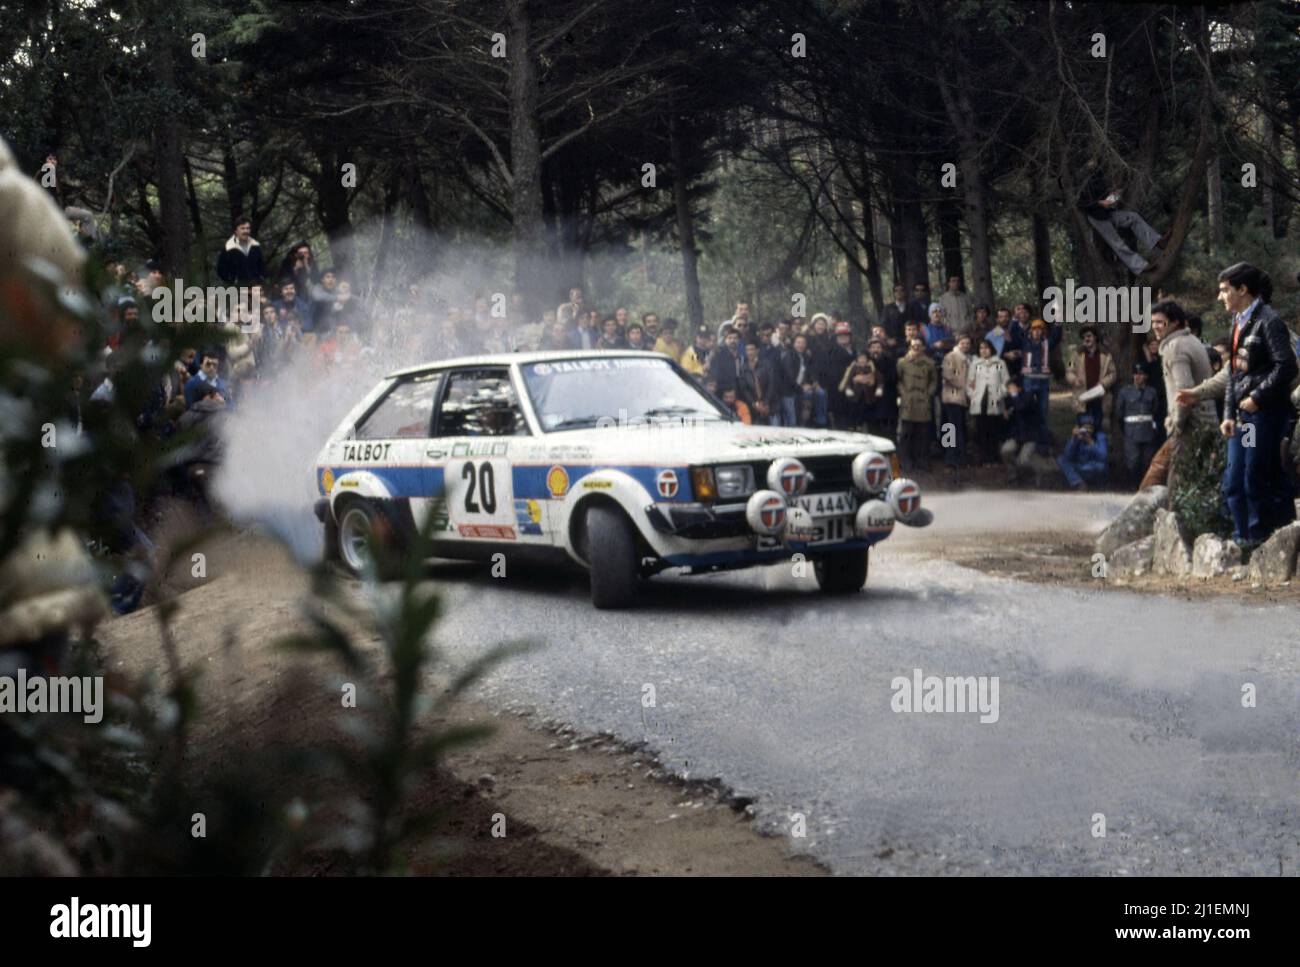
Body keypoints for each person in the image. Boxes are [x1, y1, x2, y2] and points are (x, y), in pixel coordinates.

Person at [1176, 263, 1298, 545]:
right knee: (1233, 479)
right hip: (1241, 417)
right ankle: (1241, 537)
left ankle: (1261, 538)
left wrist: (1258, 397)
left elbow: (1286, 367)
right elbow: (1234, 373)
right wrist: (1229, 413)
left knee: (1254, 474)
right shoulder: (1238, 322)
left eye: (1224, 290)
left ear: (1242, 290)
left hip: (1262, 416)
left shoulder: (1269, 321)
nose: (1220, 297)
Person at [1138, 300, 1218, 491]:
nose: (1155, 326)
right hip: (1206, 421)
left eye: (1160, 322)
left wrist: (1176, 423)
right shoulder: (1191, 341)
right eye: (1153, 322)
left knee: (1178, 482)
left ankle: (1174, 520)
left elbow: (1185, 392)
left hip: (1190, 425)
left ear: (1174, 323)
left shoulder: (1175, 347)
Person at [1074, 160, 1168, 275]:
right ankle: (1140, 267)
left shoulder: (1102, 172)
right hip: (1096, 217)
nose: (1092, 163)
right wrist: (1099, 203)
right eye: (1089, 161)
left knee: (1133, 217)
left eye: (1093, 161)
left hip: (1107, 212)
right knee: (1117, 243)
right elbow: (1080, 204)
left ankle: (1158, 241)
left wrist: (1115, 195)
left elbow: (1108, 193)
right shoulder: (1083, 180)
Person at [1001, 377, 1052, 486]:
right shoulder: (1008, 399)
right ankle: (1013, 475)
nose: (1009, 390)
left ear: (1017, 387)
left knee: (1023, 461)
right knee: (1006, 450)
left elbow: (1022, 408)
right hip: (1016, 436)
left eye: (1010, 388)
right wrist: (1006, 415)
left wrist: (1013, 400)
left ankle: (1040, 470)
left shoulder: (1028, 398)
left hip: (1030, 436)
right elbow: (1007, 416)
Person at [897, 336, 937, 473]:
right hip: (908, 400)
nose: (916, 348)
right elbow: (898, 380)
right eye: (913, 346)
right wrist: (903, 394)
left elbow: (934, 381)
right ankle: (905, 461)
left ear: (923, 347)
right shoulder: (902, 362)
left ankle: (922, 462)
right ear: (910, 347)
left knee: (923, 434)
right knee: (906, 433)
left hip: (923, 400)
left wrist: (929, 393)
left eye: (919, 346)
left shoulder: (930, 363)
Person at [1114, 365, 1160, 486]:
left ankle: (1146, 485)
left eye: (1140, 374)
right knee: (1133, 461)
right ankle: (1133, 485)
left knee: (1147, 460)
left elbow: (1155, 410)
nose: (1137, 377)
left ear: (1146, 376)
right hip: (1131, 431)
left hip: (1147, 430)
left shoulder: (1152, 392)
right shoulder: (1125, 392)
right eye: (1135, 374)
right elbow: (1119, 413)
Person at [967, 337, 1009, 466]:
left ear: (991, 349)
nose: (983, 350)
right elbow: (970, 383)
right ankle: (982, 458)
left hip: (994, 401)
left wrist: (1000, 394)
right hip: (979, 401)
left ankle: (994, 457)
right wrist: (973, 395)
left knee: (994, 429)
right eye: (981, 348)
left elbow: (1005, 382)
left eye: (986, 348)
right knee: (980, 430)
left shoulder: (1000, 363)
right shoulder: (975, 364)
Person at [1066, 325, 1117, 427]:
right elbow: (1069, 371)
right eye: (1084, 337)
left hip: (1099, 397)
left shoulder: (1105, 355)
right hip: (1082, 396)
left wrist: (1103, 383)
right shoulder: (1076, 354)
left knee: (1097, 426)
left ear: (1095, 338)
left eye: (1089, 336)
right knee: (1083, 428)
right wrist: (1074, 379)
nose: (1086, 339)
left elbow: (1113, 374)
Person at [782, 332, 827, 427]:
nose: (800, 345)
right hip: (789, 391)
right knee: (792, 421)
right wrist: (802, 387)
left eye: (803, 343)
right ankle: (801, 422)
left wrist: (814, 383)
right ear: (794, 344)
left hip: (801, 389)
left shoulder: (805, 357)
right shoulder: (789, 356)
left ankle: (820, 421)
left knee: (821, 393)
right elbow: (789, 378)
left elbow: (811, 372)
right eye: (798, 342)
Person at [940, 333, 971, 471]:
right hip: (951, 396)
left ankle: (958, 456)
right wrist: (964, 385)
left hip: (962, 398)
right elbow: (947, 375)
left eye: (967, 344)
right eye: (962, 343)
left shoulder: (968, 359)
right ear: (958, 344)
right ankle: (950, 457)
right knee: (951, 428)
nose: (965, 346)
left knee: (959, 427)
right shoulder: (950, 356)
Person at [1057, 413, 1109, 491]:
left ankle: (1099, 486)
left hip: (1094, 467)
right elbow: (1068, 455)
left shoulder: (1100, 437)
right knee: (1061, 459)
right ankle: (1078, 483)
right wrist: (1074, 439)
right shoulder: (1077, 437)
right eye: (1085, 428)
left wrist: (1091, 442)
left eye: (1090, 428)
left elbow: (1103, 456)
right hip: (1080, 467)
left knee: (1102, 466)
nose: (1088, 431)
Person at [1021, 319, 1053, 426]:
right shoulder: (1025, 342)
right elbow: (1015, 331)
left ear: (1043, 331)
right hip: (1029, 380)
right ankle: (1028, 434)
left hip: (1043, 381)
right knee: (1027, 407)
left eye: (1040, 329)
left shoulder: (1047, 343)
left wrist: (1058, 321)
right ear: (1030, 331)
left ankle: (1042, 434)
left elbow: (1057, 335)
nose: (1037, 332)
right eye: (1034, 329)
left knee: (1043, 408)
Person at [864, 338, 898, 439]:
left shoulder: (890, 361)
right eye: (873, 347)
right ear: (869, 349)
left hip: (887, 399)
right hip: (870, 401)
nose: (876, 350)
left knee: (888, 431)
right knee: (873, 431)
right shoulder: (864, 362)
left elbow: (893, 377)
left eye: (878, 347)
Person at [215, 216, 264, 285]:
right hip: (237, 289)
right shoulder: (228, 248)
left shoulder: (255, 246)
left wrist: (260, 279)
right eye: (242, 228)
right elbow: (221, 271)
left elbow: (261, 266)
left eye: (248, 228)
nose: (246, 231)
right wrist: (232, 282)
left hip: (255, 287)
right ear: (236, 231)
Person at [837, 350, 876, 431]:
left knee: (862, 409)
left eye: (864, 358)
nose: (862, 360)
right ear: (857, 359)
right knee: (853, 408)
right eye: (860, 358)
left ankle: (860, 424)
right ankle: (851, 424)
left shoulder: (870, 368)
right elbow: (848, 378)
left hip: (866, 393)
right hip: (855, 392)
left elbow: (874, 378)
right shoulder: (853, 368)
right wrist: (848, 388)